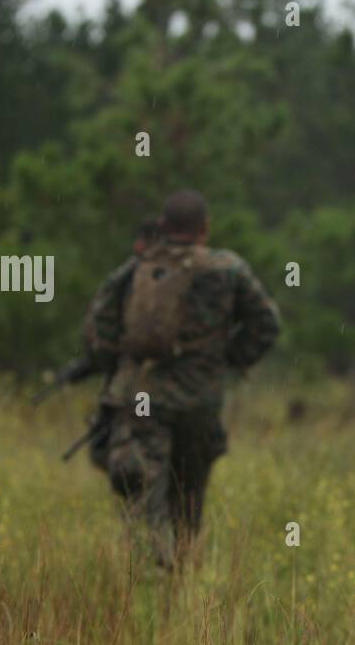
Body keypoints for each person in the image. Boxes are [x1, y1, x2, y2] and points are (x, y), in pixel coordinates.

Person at [80, 189, 280, 566]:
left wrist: (118, 369)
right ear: (204, 229)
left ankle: (148, 581)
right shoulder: (227, 270)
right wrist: (226, 361)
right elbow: (267, 325)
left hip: (143, 402)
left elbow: (98, 332)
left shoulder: (135, 269)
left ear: (163, 226)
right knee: (188, 502)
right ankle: (183, 587)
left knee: (144, 503)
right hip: (200, 402)